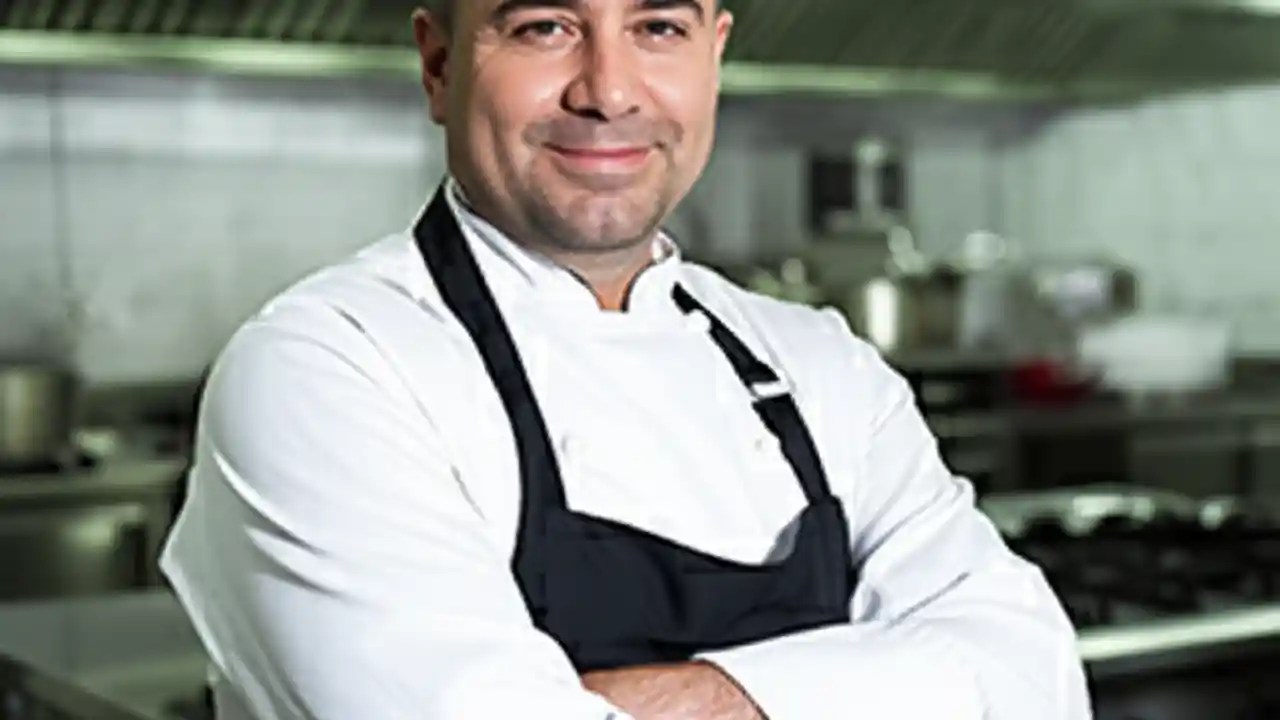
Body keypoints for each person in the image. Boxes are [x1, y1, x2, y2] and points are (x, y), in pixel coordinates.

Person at [160, 0, 1091, 718]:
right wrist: (876, 686)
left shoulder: (821, 365)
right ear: (440, 65)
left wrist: (695, 697)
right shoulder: (328, 366)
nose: (608, 89)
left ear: (713, 54)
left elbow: (1034, 672)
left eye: (656, 26)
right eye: (544, 26)